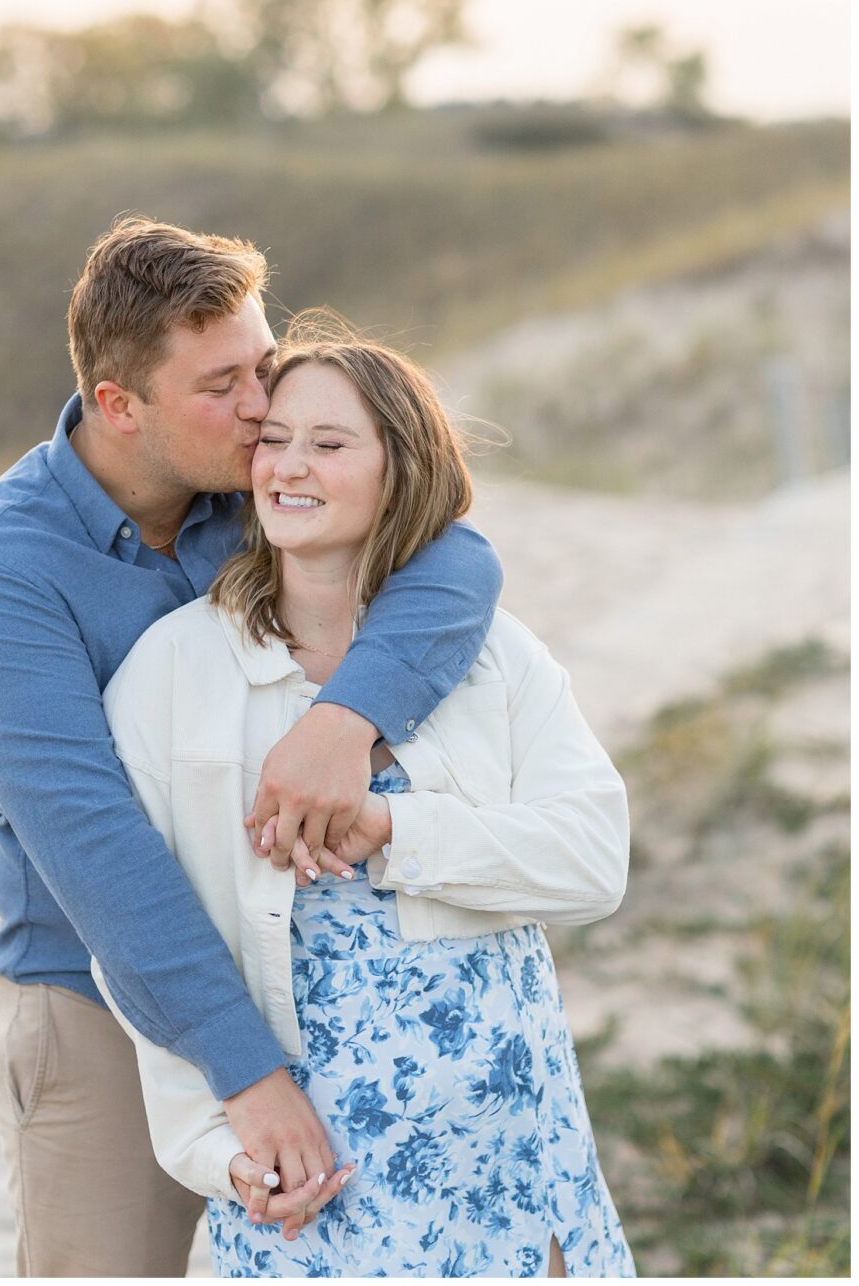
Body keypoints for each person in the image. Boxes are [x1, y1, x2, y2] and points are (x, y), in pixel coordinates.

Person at [0, 219, 505, 1275]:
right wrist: (242, 1072)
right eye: (221, 385)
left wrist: (344, 719)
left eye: (263, 366)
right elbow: (95, 850)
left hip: (313, 963)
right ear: (118, 406)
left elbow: (456, 558)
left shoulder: (260, 487)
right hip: (97, 995)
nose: (261, 408)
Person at [96, 318, 634, 1277]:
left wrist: (394, 829)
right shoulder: (170, 676)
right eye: (273, 439)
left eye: (330, 444)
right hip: (309, 1175)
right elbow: (143, 942)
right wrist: (217, 1154)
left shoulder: (491, 656)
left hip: (507, 1162)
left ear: (402, 468)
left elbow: (594, 859)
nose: (286, 466)